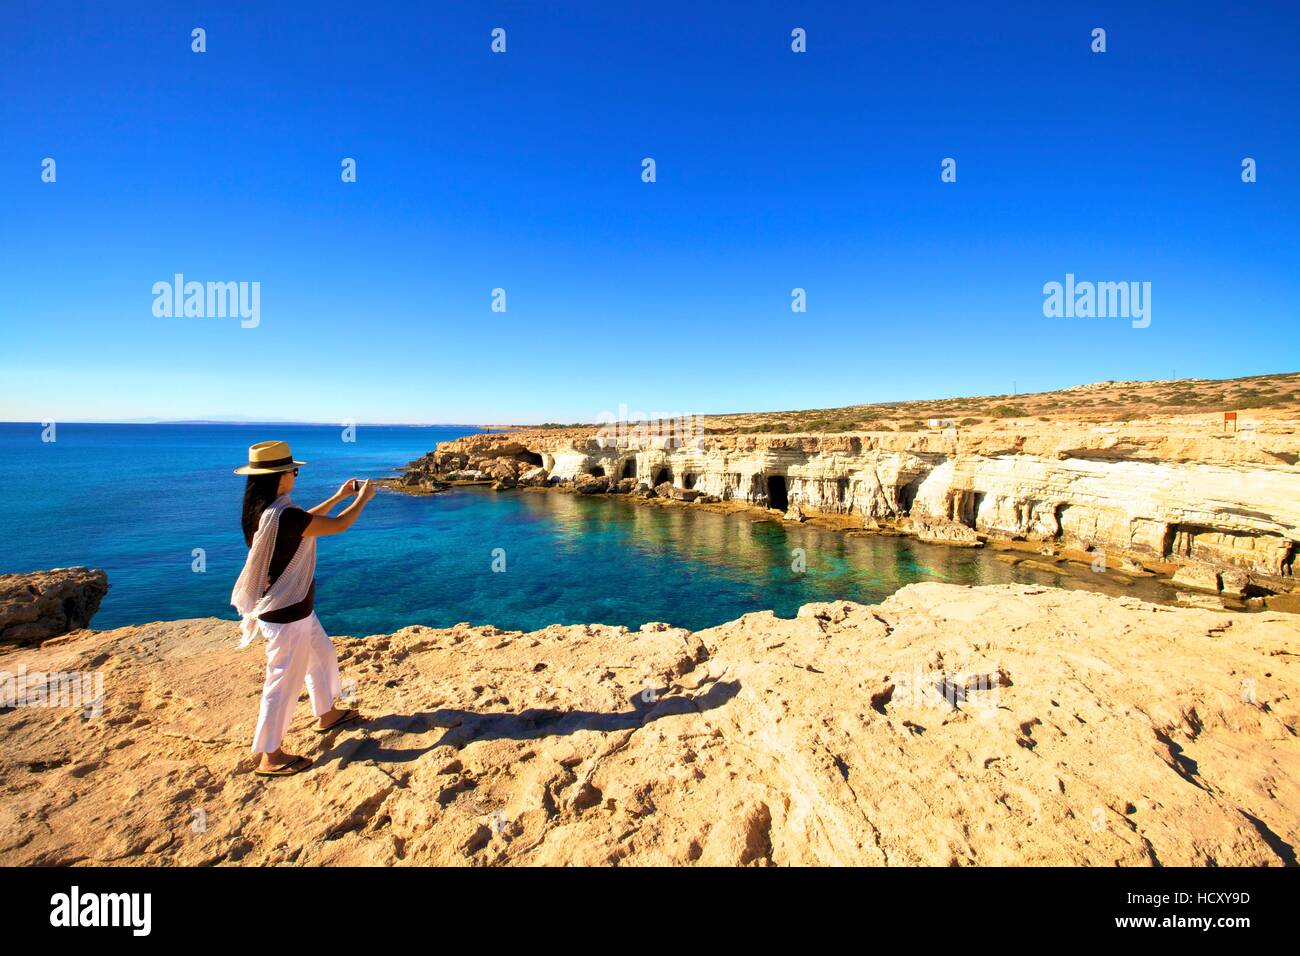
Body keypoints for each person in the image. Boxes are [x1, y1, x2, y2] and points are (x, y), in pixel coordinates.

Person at [230, 440, 377, 777]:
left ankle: (327, 713)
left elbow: (305, 520)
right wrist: (361, 500)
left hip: (296, 610)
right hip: (287, 615)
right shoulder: (284, 516)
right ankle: (270, 755)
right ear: (282, 476)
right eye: (294, 471)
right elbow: (339, 525)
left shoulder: (263, 512)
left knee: (323, 655)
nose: (295, 476)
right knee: (282, 682)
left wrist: (340, 496)